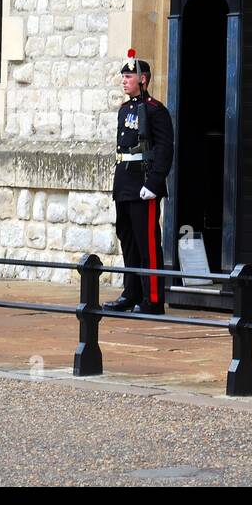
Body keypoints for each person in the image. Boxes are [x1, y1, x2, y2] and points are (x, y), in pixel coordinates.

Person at [105, 49, 174, 314]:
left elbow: (164, 150)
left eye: (129, 76)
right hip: (125, 184)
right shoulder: (125, 110)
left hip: (144, 185)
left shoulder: (156, 110)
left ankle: (153, 299)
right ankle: (131, 293)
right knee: (129, 241)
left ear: (143, 79)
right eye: (123, 76)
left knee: (148, 244)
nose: (124, 80)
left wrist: (154, 183)